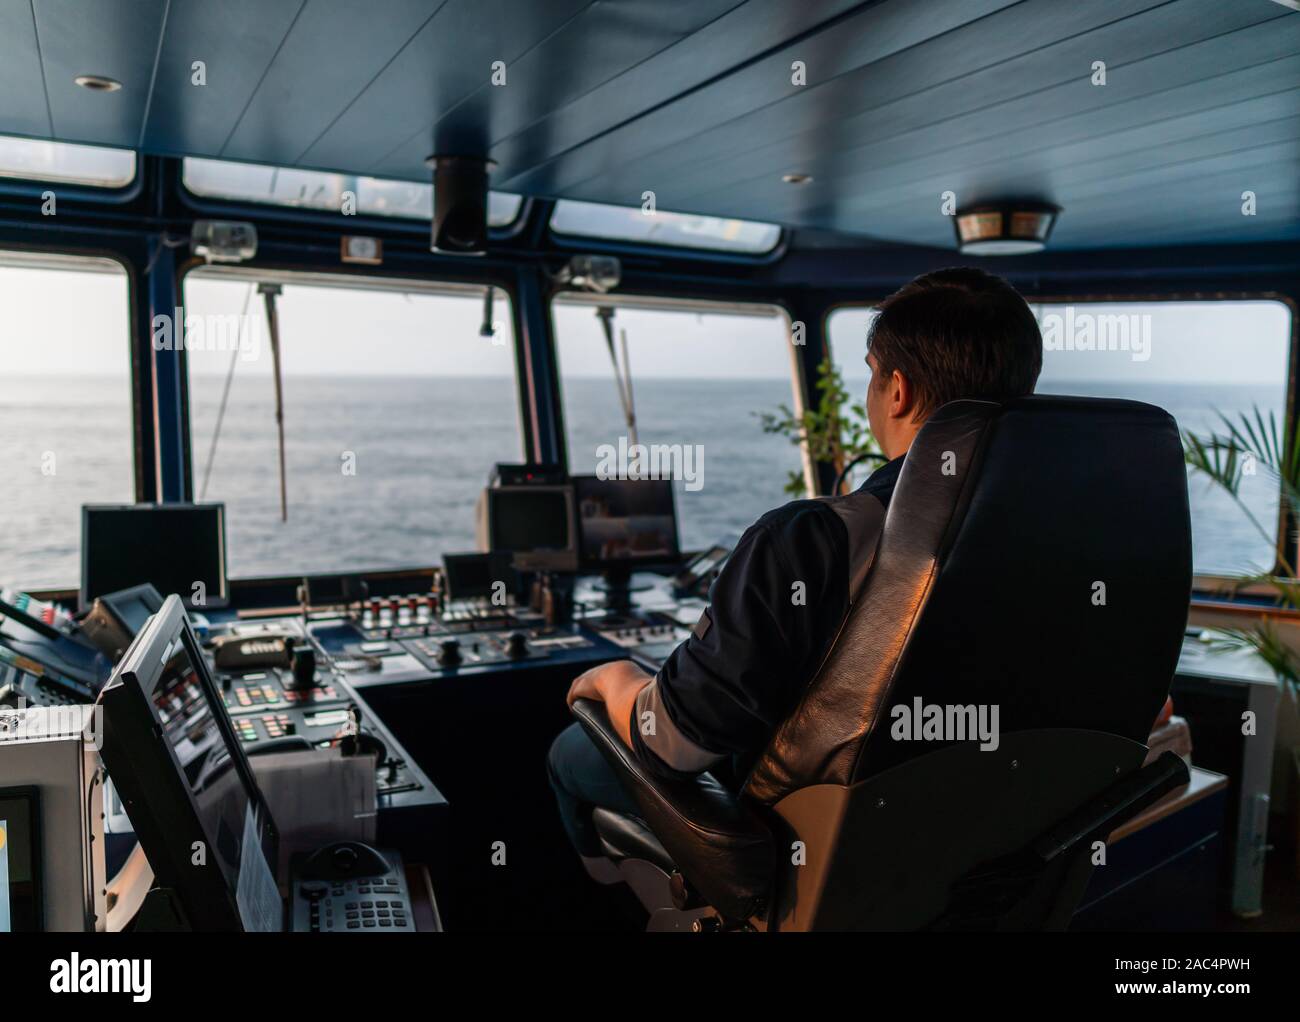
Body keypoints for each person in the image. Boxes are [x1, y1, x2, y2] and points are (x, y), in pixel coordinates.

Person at [547, 267, 1044, 864]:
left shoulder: (810, 541)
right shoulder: (1064, 536)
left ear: (898, 390)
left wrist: (614, 678)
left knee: (569, 751)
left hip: (808, 847)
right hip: (984, 842)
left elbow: (673, 741)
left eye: (870, 374)